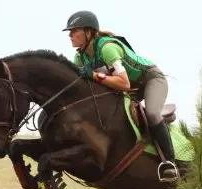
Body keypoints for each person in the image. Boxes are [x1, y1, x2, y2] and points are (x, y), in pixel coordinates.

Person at [62, 10, 178, 180]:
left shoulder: (108, 48)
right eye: (69, 32)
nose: (70, 35)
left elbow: (124, 83)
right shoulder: (80, 58)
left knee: (152, 114)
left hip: (151, 80)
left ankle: (170, 163)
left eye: (74, 31)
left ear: (88, 32)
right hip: (130, 89)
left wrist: (94, 76)